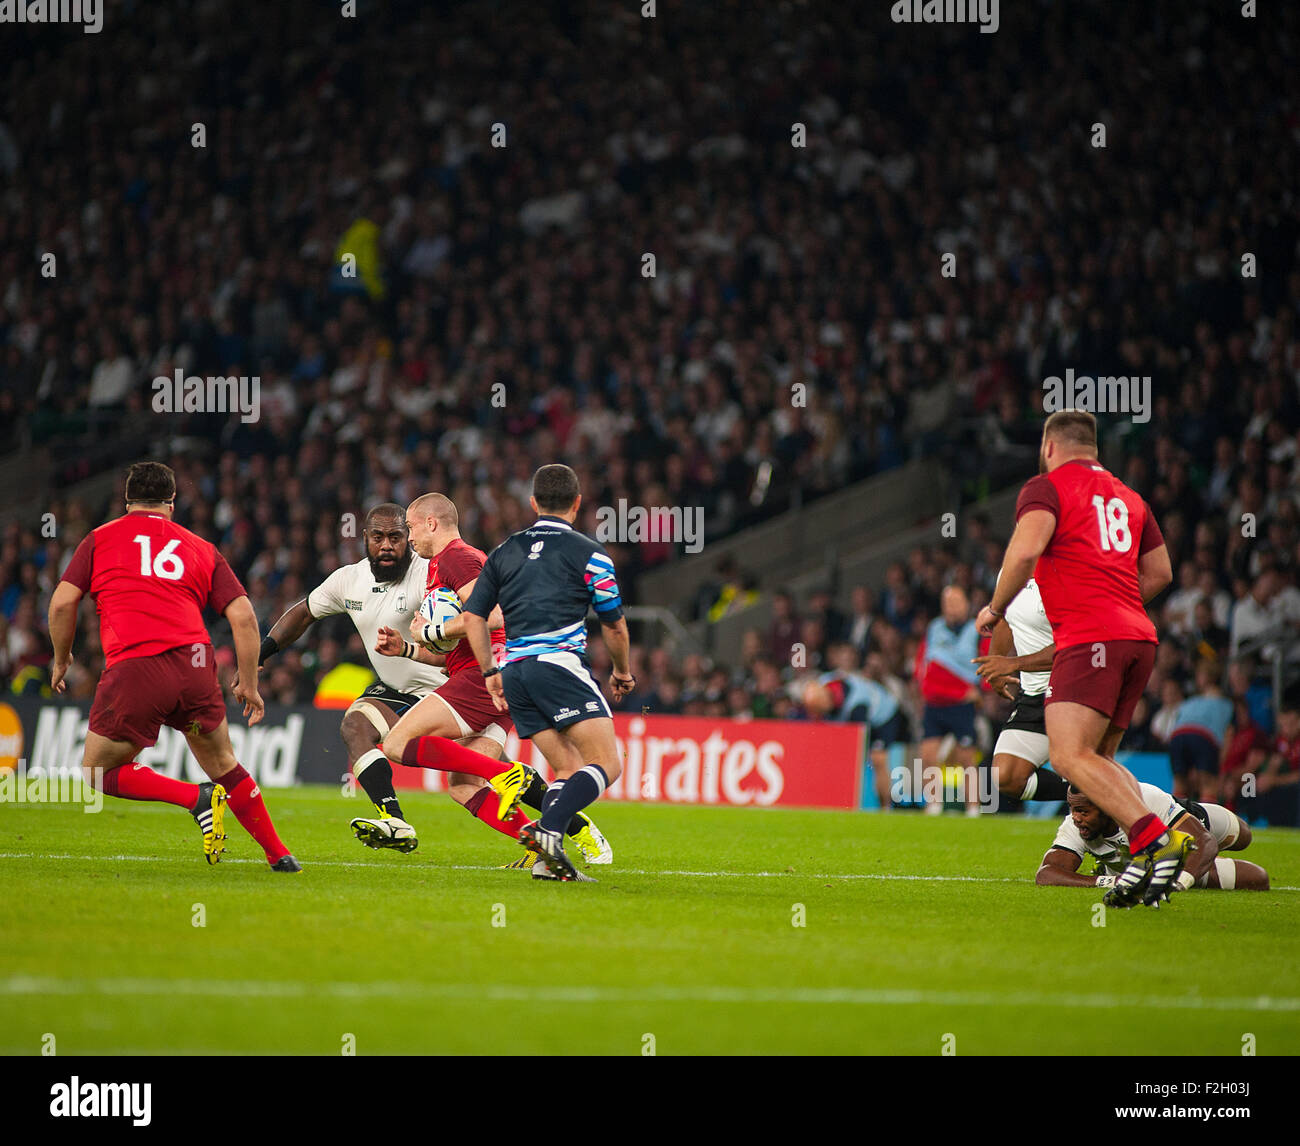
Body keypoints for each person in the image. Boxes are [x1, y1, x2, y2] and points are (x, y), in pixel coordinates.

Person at [976, 410, 1185, 908]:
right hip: (1139, 639)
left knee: (1070, 757)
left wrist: (994, 608)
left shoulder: (1047, 488)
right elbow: (1161, 572)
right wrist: (1119, 605)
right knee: (1098, 760)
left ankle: (1157, 840)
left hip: (1091, 643)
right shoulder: (1129, 497)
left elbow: (1024, 553)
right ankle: (1151, 853)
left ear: (1050, 446)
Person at [46, 461, 298, 870]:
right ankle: (280, 854)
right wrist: (249, 683)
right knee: (225, 765)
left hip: (137, 667)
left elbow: (61, 602)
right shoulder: (201, 548)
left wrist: (62, 657)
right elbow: (244, 617)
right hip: (195, 666)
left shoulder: (99, 539)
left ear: (126, 500)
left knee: (97, 772)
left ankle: (194, 799)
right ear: (172, 502)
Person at [375, 492, 611, 867]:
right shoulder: (444, 566)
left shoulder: (457, 557)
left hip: (486, 676)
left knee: (397, 743)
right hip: (492, 674)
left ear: (432, 523)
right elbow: (453, 649)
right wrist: (407, 648)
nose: (408, 536)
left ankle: (507, 773)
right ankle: (556, 839)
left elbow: (495, 617)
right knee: (463, 785)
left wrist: (432, 629)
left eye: (411, 526)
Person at [460, 463, 635, 881]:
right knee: (608, 763)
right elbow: (613, 623)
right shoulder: (590, 553)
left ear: (534, 503)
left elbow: (473, 616)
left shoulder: (505, 550)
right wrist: (622, 672)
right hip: (557, 667)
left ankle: (546, 863)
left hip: (515, 673)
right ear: (578, 502)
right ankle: (548, 829)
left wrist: (489, 671)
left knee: (568, 769)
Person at [1035, 784, 1269, 892]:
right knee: (1258, 879)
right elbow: (1046, 874)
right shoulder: (1075, 823)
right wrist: (1108, 883)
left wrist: (1180, 883)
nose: (1076, 818)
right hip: (1160, 861)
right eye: (1072, 809)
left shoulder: (1144, 801)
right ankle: (1117, 870)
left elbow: (1205, 842)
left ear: (1106, 808)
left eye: (1083, 812)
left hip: (1192, 828)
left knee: (1243, 836)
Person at [971, 575, 1069, 805]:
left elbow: (1073, 645)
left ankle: (1152, 807)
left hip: (1071, 693)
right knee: (1006, 775)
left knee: (1081, 766)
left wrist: (1013, 664)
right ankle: (1089, 795)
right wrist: (996, 664)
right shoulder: (1012, 569)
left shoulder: (1067, 571)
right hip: (1033, 694)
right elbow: (1007, 618)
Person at [915, 586, 983, 814]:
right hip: (935, 702)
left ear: (966, 604)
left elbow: (988, 661)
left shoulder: (977, 629)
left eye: (955, 602)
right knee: (928, 755)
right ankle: (933, 804)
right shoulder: (934, 628)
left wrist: (981, 691)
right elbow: (921, 661)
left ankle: (973, 808)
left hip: (962, 703)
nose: (951, 607)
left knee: (967, 758)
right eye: (947, 603)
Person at [801, 669, 905, 808]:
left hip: (884, 716)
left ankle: (885, 806)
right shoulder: (825, 682)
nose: (820, 714)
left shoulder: (857, 706)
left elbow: (859, 745)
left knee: (878, 759)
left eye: (820, 710)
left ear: (826, 701)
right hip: (861, 716)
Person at [1166, 662, 1234, 803]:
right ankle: (1206, 821)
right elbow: (1228, 734)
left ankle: (1176, 822)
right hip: (1204, 737)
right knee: (1208, 784)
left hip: (1177, 737)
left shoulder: (1188, 703)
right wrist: (1218, 764)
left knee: (1180, 783)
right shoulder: (1226, 704)